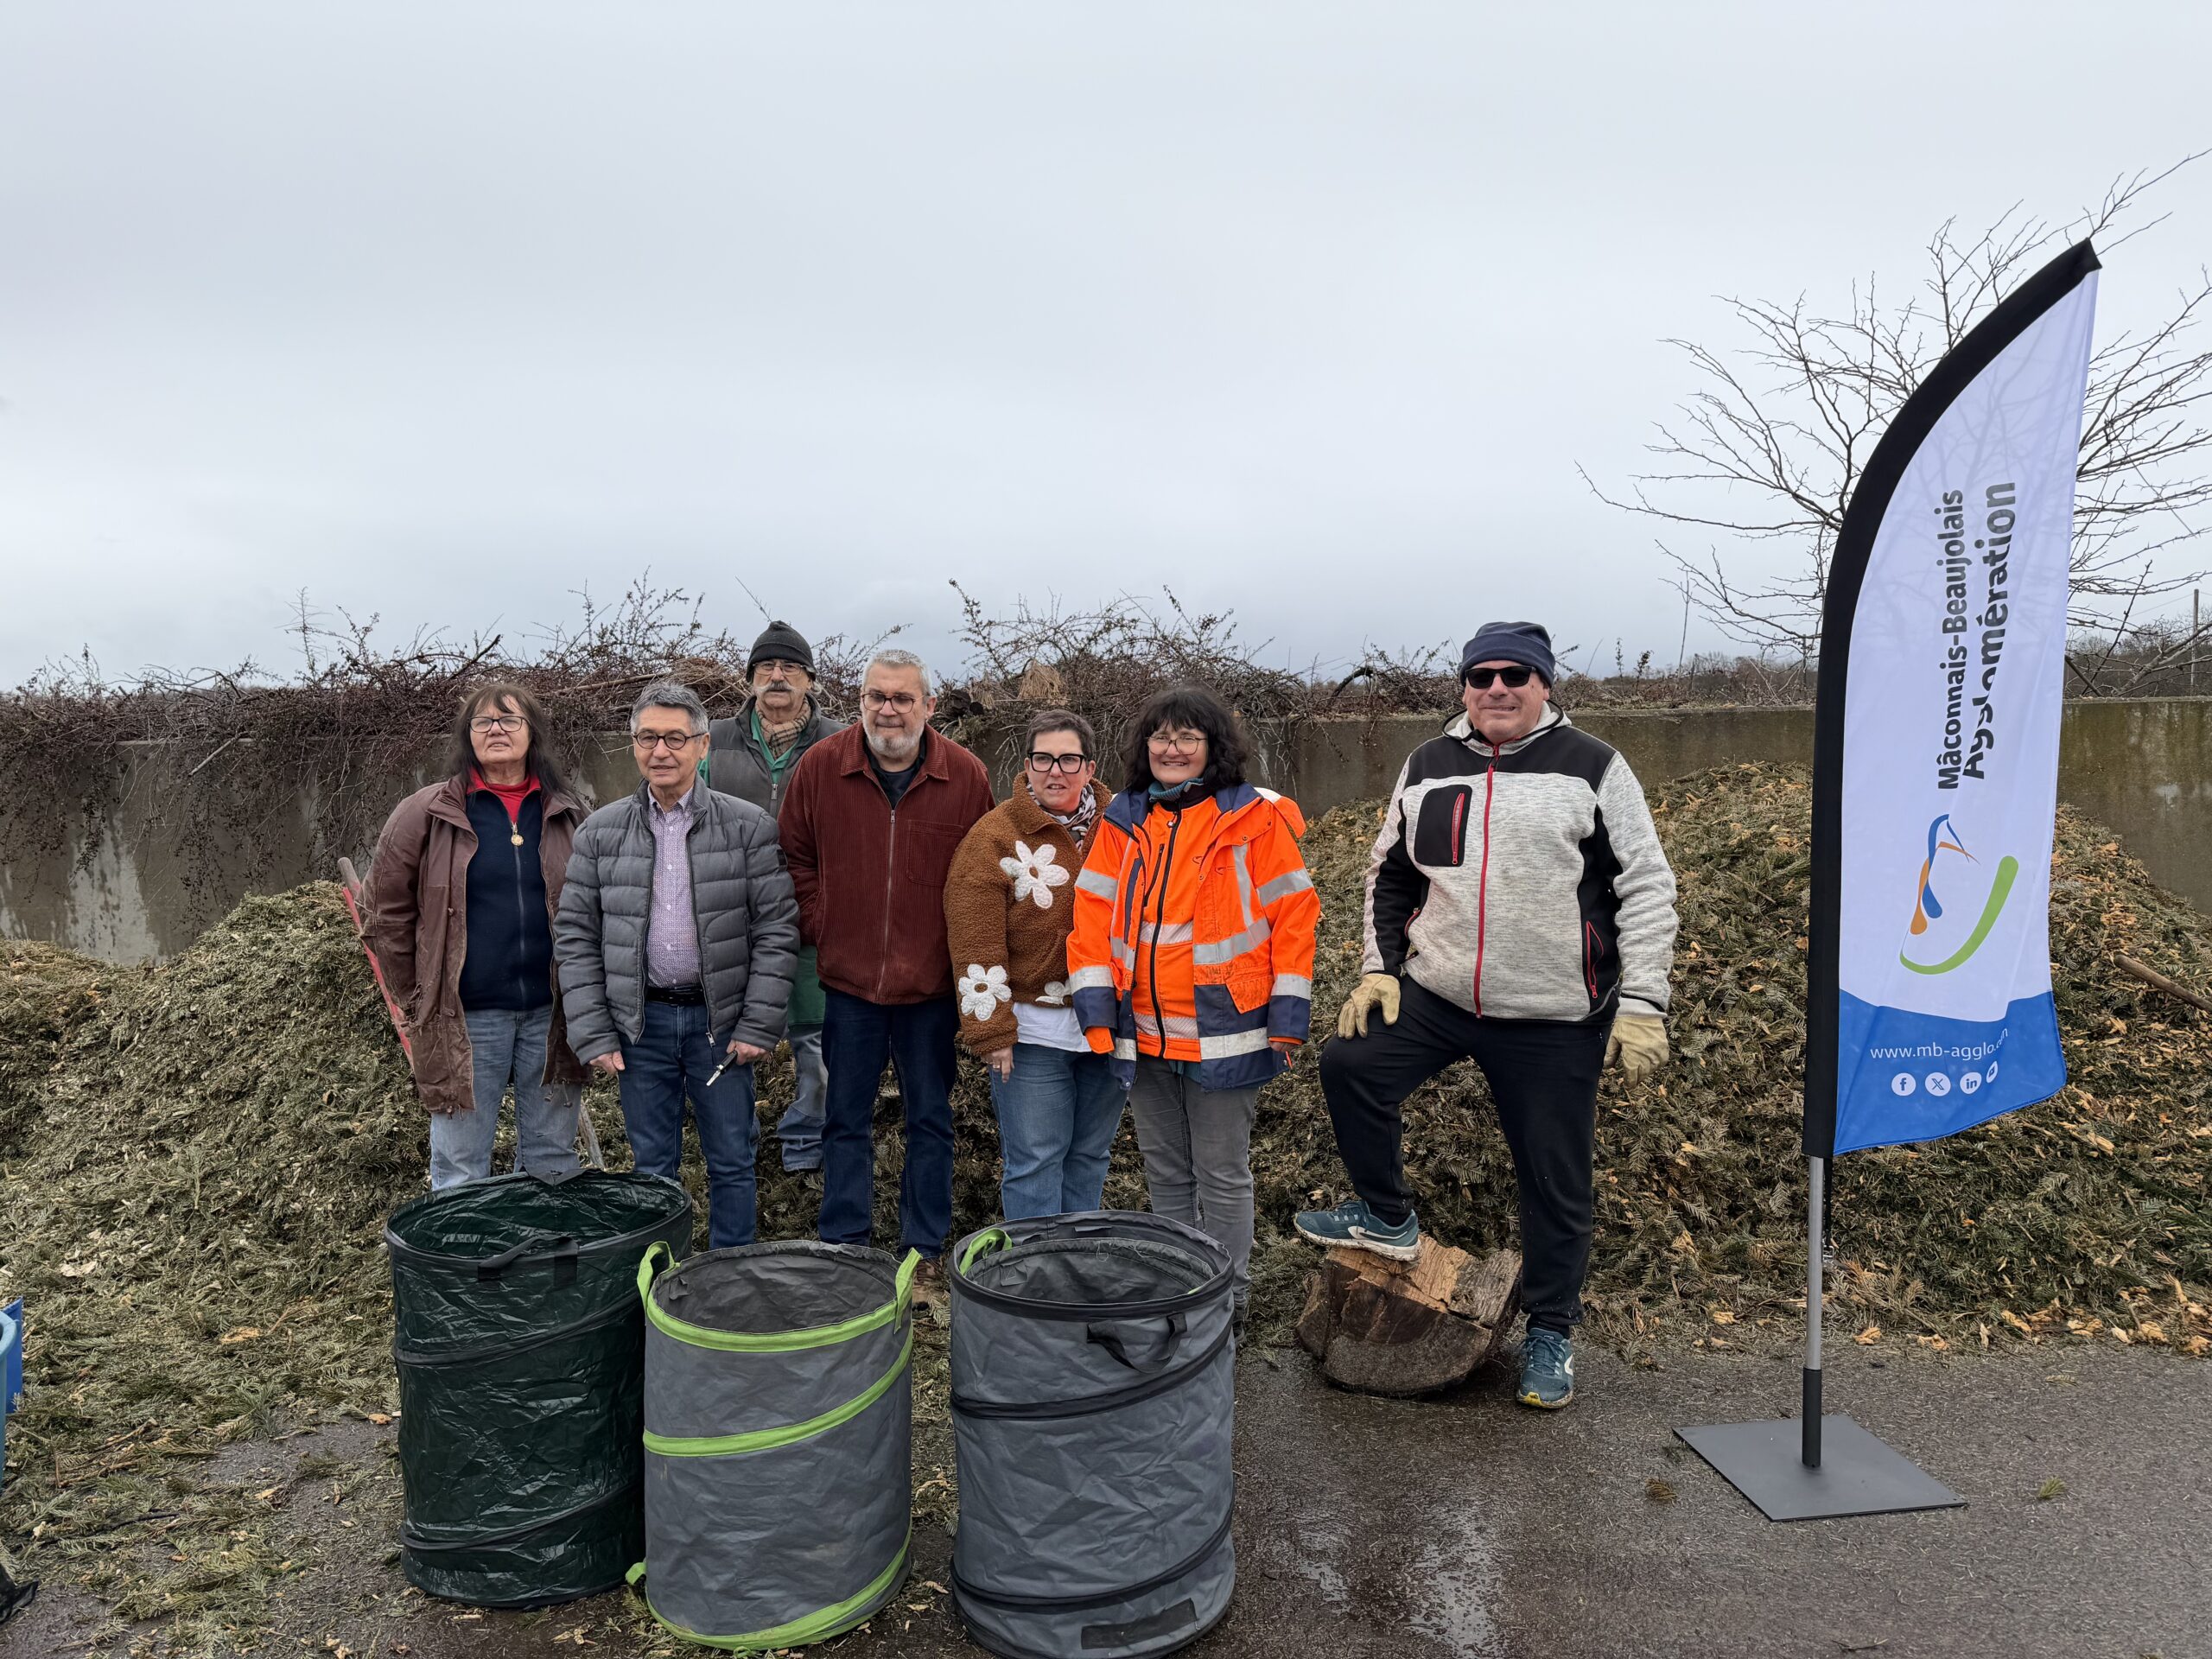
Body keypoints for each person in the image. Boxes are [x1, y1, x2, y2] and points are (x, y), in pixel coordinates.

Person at [1294, 621, 1678, 1410]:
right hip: (1439, 995)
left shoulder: (1593, 766)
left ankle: (1551, 1331)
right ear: (1464, 687)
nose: (1497, 689)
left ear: (1545, 685)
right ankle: (1386, 1214)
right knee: (1352, 1064)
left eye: (1515, 675)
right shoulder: (1429, 764)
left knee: (1553, 1176)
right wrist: (1379, 970)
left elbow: (1646, 883)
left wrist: (1642, 1001)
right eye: (1481, 676)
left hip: (1553, 1012)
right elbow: (1388, 875)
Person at [1066, 685, 1319, 1328]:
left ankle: (1226, 1303)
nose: (1171, 749)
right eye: (1160, 737)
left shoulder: (1254, 818)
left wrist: (1288, 1018)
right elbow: (1092, 914)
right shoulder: (1124, 818)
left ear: (1213, 748)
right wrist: (1096, 1007)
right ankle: (1184, 1292)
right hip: (1142, 1028)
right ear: (1143, 747)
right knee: (1167, 1172)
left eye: (1186, 738)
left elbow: (1294, 916)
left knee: (1223, 1174)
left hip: (1226, 1029)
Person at [555, 680, 798, 1248]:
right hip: (641, 1026)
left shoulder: (748, 828)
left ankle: (734, 1277)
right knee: (652, 1167)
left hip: (722, 1025)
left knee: (734, 1159)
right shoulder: (601, 832)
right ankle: (663, 1284)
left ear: (702, 745)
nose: (659, 751)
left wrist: (760, 1023)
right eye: (647, 738)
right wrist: (593, 1030)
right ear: (633, 746)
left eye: (673, 738)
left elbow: (776, 928)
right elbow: (575, 934)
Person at [779, 651, 994, 1286]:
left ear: (929, 705)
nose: (888, 709)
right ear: (861, 702)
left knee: (931, 1117)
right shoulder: (821, 768)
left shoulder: (966, 775)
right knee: (845, 1118)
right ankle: (845, 1241)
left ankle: (922, 1246)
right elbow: (793, 857)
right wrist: (825, 924)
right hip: (849, 987)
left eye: (903, 698)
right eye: (876, 696)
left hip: (929, 988)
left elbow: (981, 875)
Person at [366, 683, 589, 1189]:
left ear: (533, 734)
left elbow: (594, 908)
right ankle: (465, 1264)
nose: (496, 731)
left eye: (510, 721)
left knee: (551, 1161)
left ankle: (537, 1259)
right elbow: (384, 913)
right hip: (465, 1018)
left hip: (552, 1016)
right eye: (484, 722)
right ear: (468, 737)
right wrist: (417, 993)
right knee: (462, 1165)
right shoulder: (427, 813)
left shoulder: (568, 813)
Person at [944, 709, 1120, 1220]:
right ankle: (1036, 1283)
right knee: (1035, 1163)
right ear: (1026, 765)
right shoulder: (994, 838)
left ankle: (1079, 1271)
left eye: (1069, 759)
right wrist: (991, 1030)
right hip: (1031, 1033)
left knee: (1089, 1158)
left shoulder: (1125, 828)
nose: (1055, 771)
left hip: (1108, 1027)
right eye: (1044, 759)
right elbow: (974, 942)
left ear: (1089, 767)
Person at [705, 620, 843, 1182]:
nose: (778, 677)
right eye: (766, 668)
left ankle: (806, 1150)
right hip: (733, 920)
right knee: (735, 1036)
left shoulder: (840, 743)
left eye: (790, 668)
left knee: (815, 1041)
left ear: (811, 680)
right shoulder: (712, 742)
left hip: (813, 917)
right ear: (751, 680)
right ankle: (740, 1149)